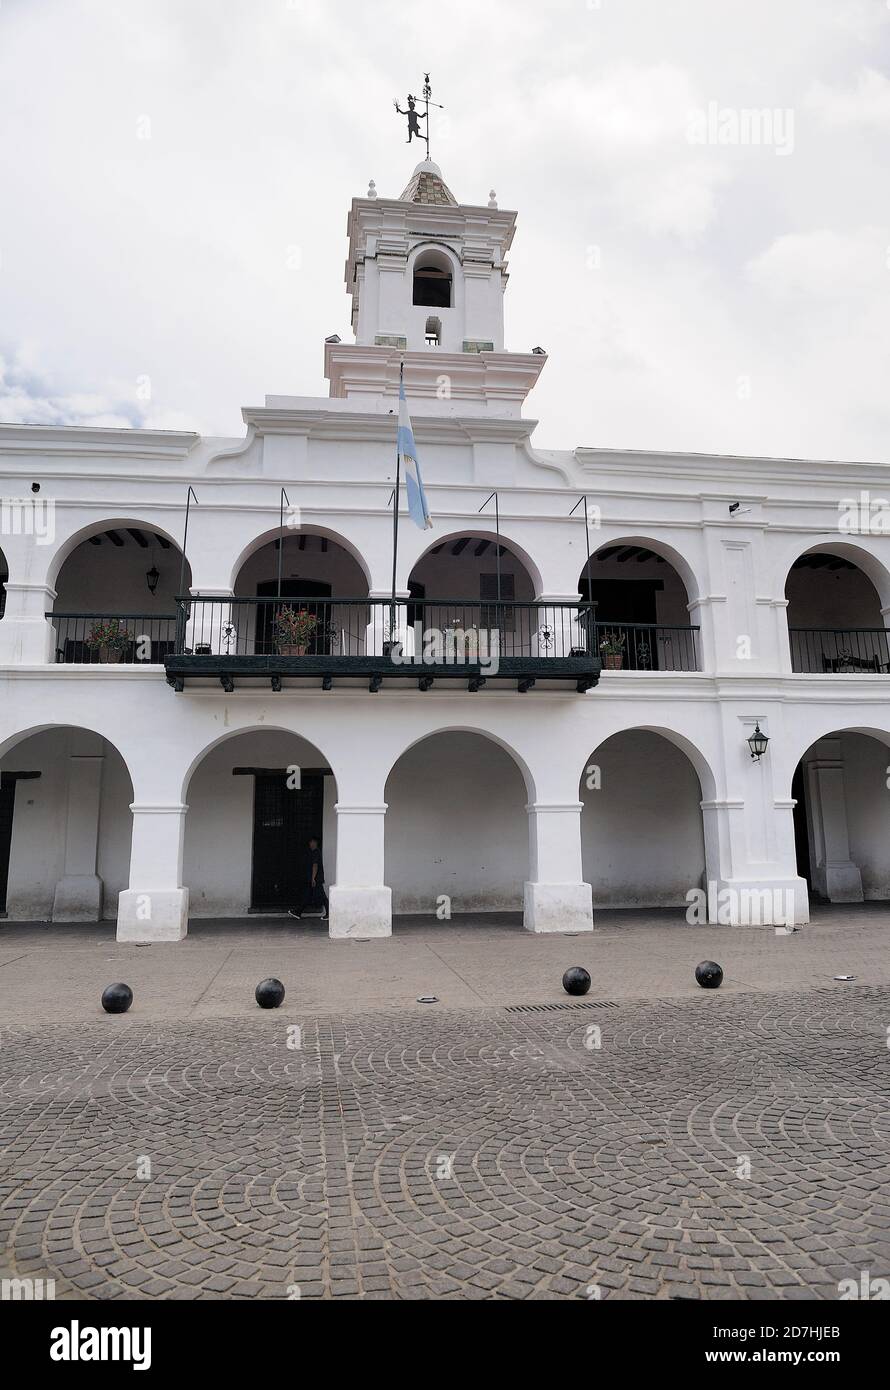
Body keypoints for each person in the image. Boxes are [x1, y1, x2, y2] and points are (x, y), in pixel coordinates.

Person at [288, 837, 328, 921]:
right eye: (310, 842)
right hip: (315, 879)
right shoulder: (314, 852)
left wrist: (313, 878)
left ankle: (329, 914)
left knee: (322, 897)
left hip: (316, 879)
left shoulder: (316, 852)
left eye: (312, 842)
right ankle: (298, 912)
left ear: (315, 843)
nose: (310, 844)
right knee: (308, 895)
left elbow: (315, 865)